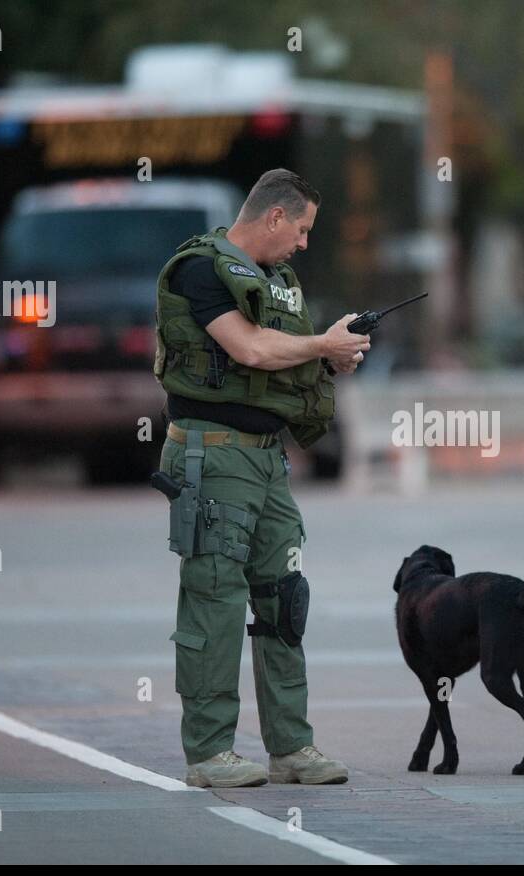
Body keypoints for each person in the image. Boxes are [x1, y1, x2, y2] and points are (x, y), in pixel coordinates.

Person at [153, 168, 370, 787]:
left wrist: (335, 356)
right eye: (301, 229)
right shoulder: (201, 269)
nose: (304, 244)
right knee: (215, 597)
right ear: (274, 217)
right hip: (212, 455)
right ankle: (209, 753)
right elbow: (248, 349)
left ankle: (291, 748)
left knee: (283, 597)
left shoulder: (275, 282)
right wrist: (321, 346)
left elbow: (283, 360)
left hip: (266, 459)